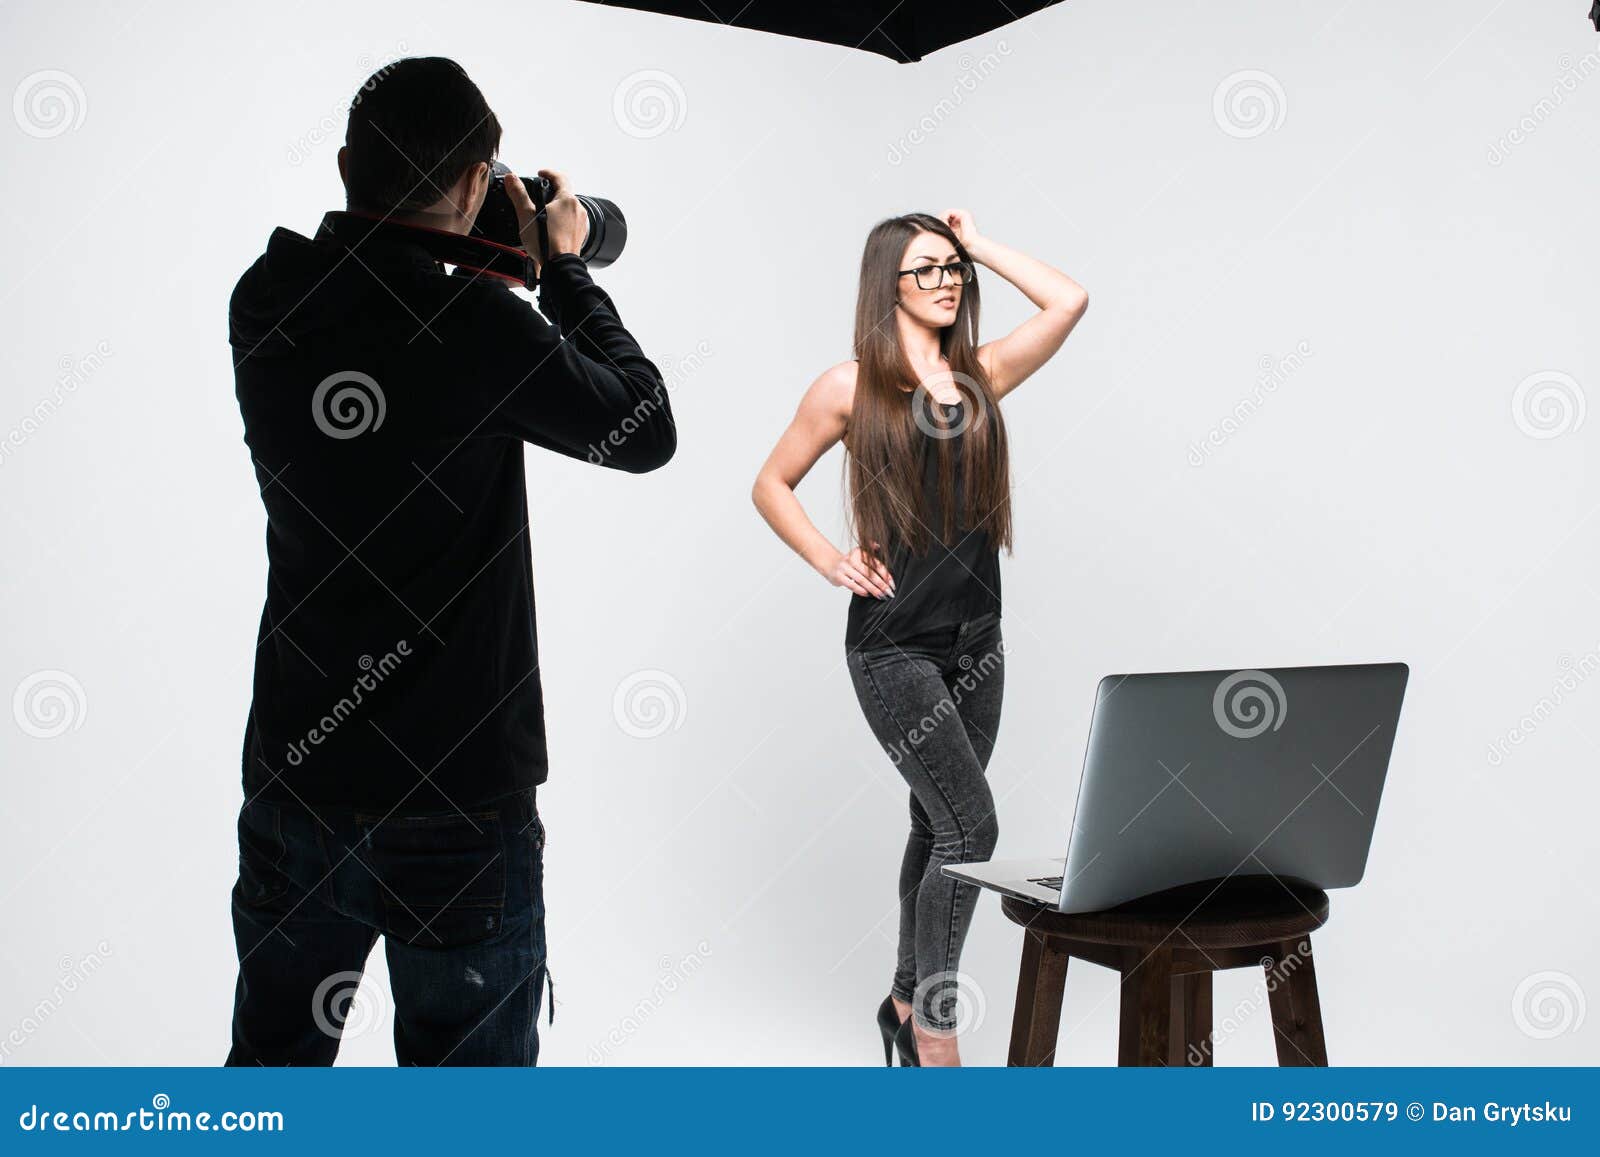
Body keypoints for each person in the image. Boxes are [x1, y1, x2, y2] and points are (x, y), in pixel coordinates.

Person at [225, 57, 675, 1066]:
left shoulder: (266, 299)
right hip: (457, 804)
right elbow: (644, 428)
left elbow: (375, 299)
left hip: (298, 775)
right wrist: (562, 268)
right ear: (476, 182)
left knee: (270, 1075)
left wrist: (477, 258)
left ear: (346, 164)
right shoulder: (480, 328)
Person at [751, 210, 1087, 1065]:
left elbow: (1068, 300)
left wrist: (981, 245)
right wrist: (830, 559)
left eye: (953, 269)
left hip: (979, 642)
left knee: (938, 826)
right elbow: (772, 482)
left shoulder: (981, 376)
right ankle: (935, 1028)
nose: (947, 283)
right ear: (887, 285)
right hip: (895, 645)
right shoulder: (849, 387)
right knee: (972, 830)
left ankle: (902, 1001)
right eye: (926, 269)